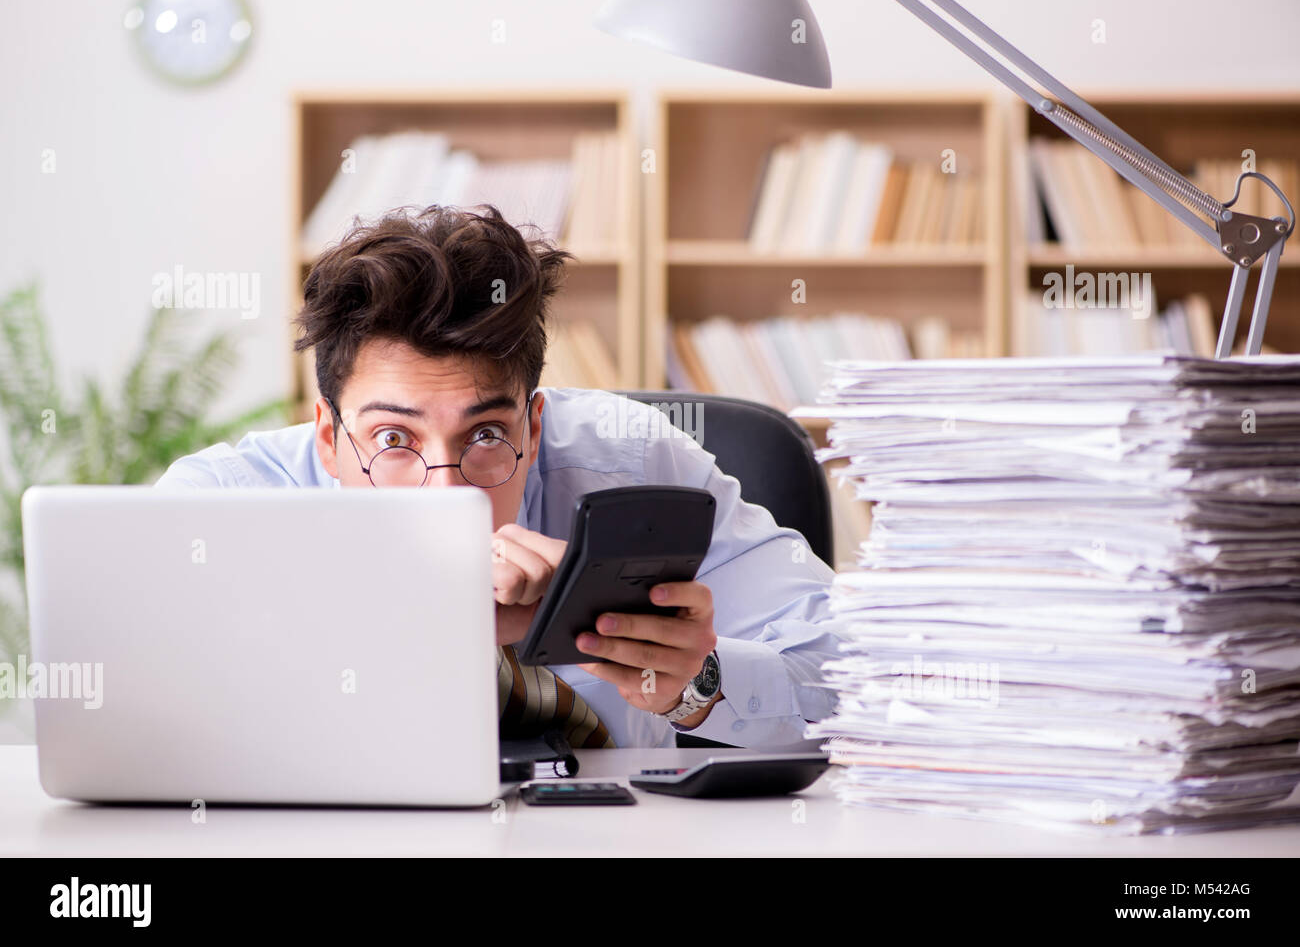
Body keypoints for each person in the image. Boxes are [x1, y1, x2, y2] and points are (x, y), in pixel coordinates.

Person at [155, 203, 844, 749]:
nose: (447, 497)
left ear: (534, 425)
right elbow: (157, 713)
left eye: (485, 435)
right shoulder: (220, 509)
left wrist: (696, 683)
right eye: (393, 439)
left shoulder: (635, 467)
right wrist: (391, 623)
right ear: (330, 438)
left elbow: (852, 678)